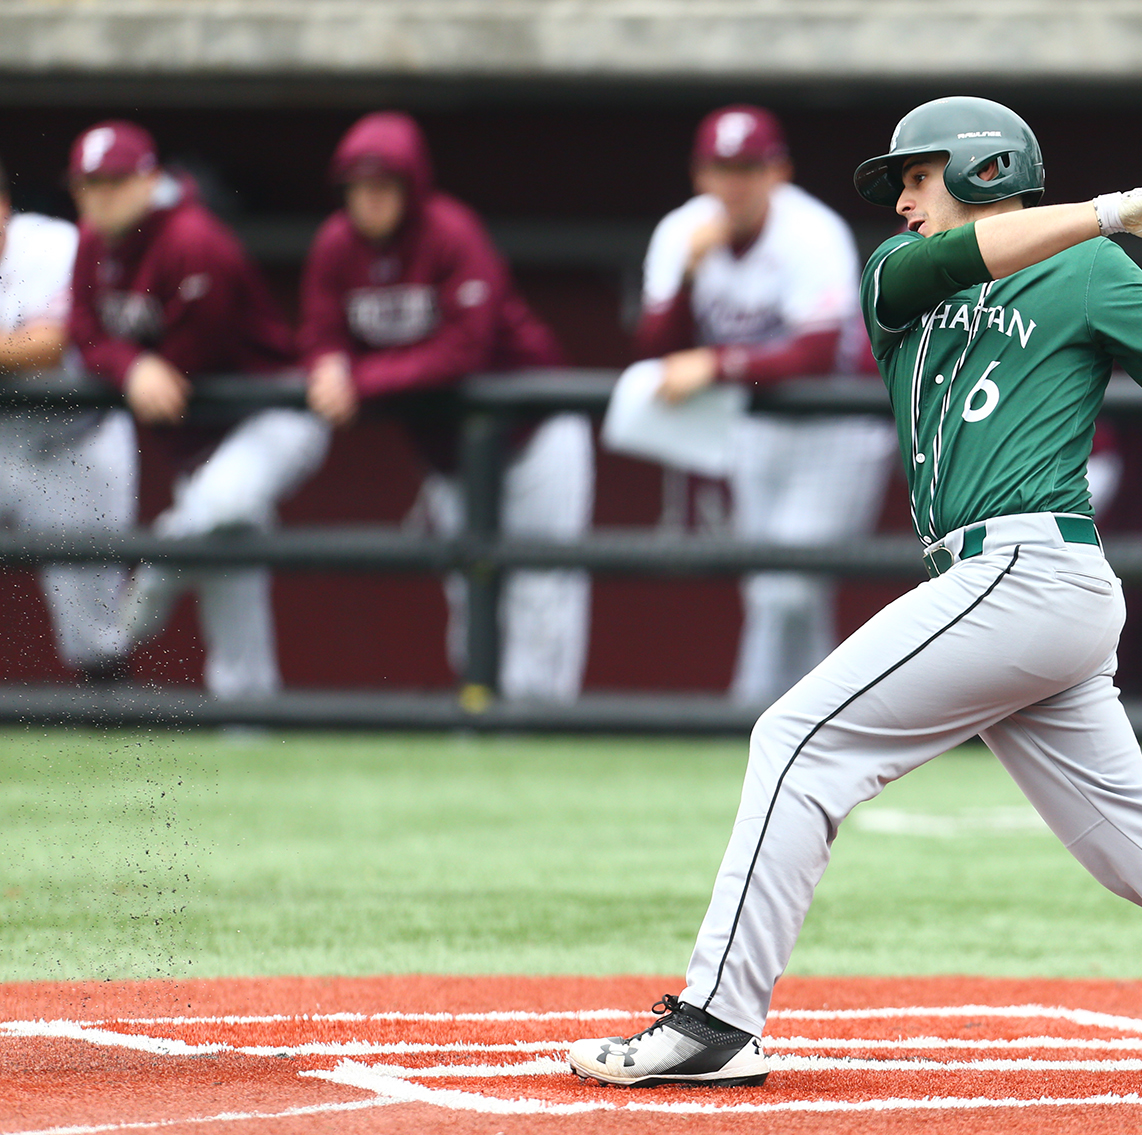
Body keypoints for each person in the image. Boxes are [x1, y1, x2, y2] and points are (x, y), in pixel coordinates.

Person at [566, 95, 1142, 1090]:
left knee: (795, 740)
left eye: (916, 176)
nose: (901, 200)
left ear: (982, 169)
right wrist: (1110, 209)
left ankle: (716, 1020)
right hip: (1006, 590)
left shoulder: (1087, 266)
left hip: (1029, 570)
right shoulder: (898, 274)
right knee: (1133, 839)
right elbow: (960, 259)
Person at [301, 111, 592, 703]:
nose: (372, 199)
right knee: (468, 585)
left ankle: (536, 727)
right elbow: (320, 330)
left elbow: (465, 349)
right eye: (359, 186)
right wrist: (327, 362)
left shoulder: (451, 232)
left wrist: (361, 376)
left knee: (539, 588)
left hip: (533, 434)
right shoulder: (335, 245)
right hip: (448, 450)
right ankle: (480, 718)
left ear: (413, 186)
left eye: (385, 185)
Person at [633, 105, 895, 705]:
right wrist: (688, 277)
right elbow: (655, 348)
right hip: (753, 428)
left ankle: (754, 714)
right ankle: (822, 719)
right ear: (701, 174)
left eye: (749, 168)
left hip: (834, 427)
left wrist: (718, 364)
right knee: (774, 589)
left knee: (789, 589)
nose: (734, 184)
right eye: (722, 169)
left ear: (778, 172)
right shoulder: (684, 233)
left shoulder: (811, 230)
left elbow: (816, 350)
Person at [67, 121, 328, 698]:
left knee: (218, 507)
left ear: (149, 180)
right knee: (230, 584)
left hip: (270, 416)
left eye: (113, 182)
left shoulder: (193, 239)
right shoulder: (94, 240)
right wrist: (131, 364)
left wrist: (139, 364)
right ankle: (248, 726)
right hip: (199, 442)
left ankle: (147, 592)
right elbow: (84, 329)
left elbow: (184, 370)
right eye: (88, 185)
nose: (99, 197)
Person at [0, 155, 136, 681]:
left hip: (75, 440)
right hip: (5, 436)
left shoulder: (57, 244)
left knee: (94, 635)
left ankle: (109, 735)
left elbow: (48, 345)